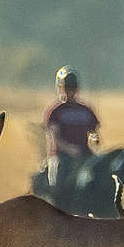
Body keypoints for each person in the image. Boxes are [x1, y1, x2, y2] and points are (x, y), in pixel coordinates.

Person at [44, 66, 100, 214]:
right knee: (59, 182)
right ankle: (57, 211)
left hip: (85, 154)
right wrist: (70, 149)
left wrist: (94, 139)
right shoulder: (56, 111)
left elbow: (94, 132)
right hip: (62, 156)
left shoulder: (86, 110)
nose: (70, 92)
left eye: (72, 88)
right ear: (60, 88)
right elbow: (54, 137)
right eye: (66, 88)